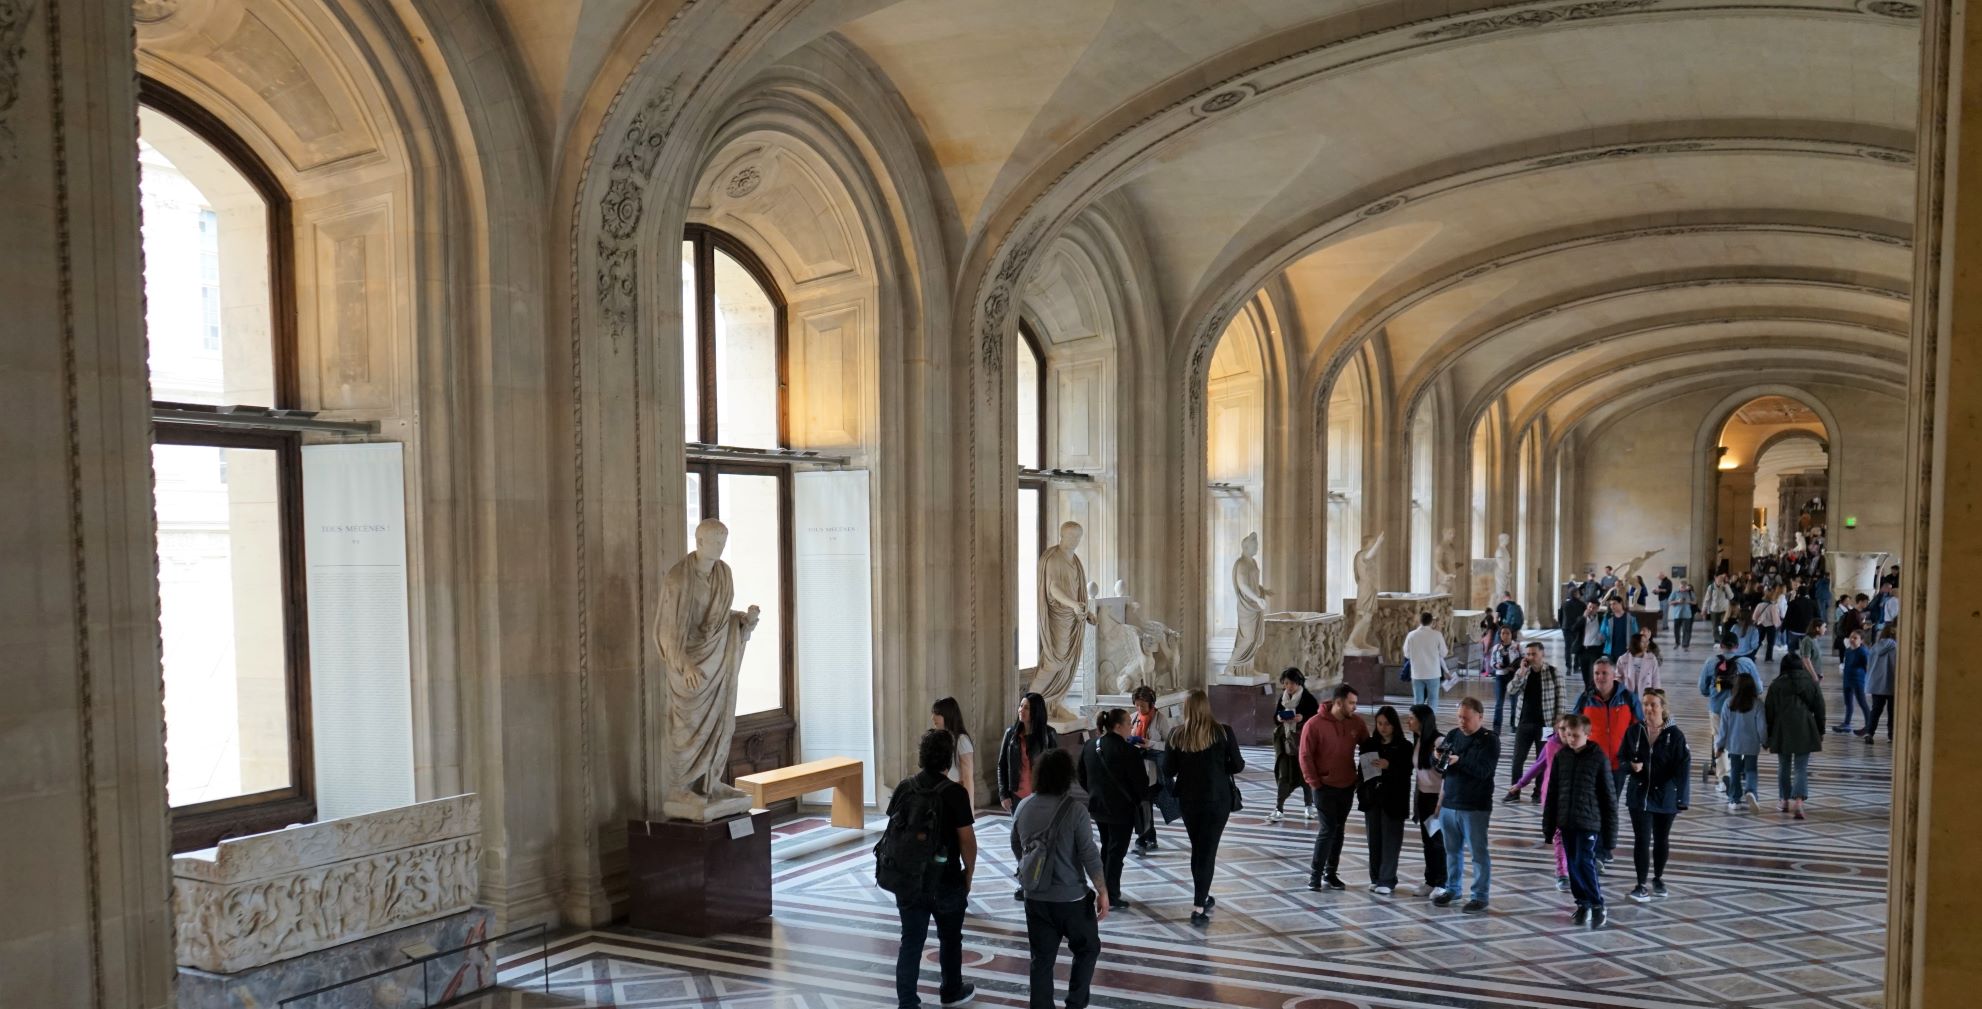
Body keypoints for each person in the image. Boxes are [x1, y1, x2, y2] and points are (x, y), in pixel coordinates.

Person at [1010, 747, 1107, 1009]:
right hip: (1072, 899)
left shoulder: (1023, 806)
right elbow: (1089, 854)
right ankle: (1075, 1003)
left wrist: (1032, 869)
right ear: (1067, 776)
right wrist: (1102, 891)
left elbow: (1016, 845)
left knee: (1041, 959)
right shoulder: (1075, 811)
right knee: (1087, 949)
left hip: (1036, 898)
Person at [889, 729, 978, 1009]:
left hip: (909, 878)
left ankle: (907, 1001)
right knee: (950, 938)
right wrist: (969, 872)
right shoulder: (955, 793)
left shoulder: (906, 787)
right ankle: (951, 991)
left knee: (911, 940)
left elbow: (893, 828)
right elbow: (967, 840)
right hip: (946, 878)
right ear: (947, 760)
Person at [1164, 689, 1244, 925]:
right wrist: (1219, 769)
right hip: (1217, 800)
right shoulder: (1222, 732)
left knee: (1198, 848)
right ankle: (1198, 907)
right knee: (1207, 852)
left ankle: (1203, 894)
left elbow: (1169, 771)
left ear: (1187, 709)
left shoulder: (1176, 735)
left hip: (1189, 800)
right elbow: (1238, 765)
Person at [1541, 713, 1616, 927]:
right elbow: (1553, 794)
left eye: (1575, 735)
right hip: (1566, 821)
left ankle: (1597, 903)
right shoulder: (1561, 757)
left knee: (1584, 862)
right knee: (1572, 865)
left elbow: (1608, 798)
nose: (1571, 739)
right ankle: (1582, 903)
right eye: (1567, 734)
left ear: (1587, 734)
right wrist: (1548, 826)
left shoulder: (1598, 758)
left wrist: (1610, 838)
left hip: (1588, 822)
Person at [1621, 689, 1691, 902]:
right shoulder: (1634, 731)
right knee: (1641, 839)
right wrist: (1630, 766)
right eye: (1645, 704)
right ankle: (1640, 884)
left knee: (1661, 838)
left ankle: (1658, 878)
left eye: (1653, 704)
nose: (1648, 709)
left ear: (1662, 707)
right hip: (1639, 795)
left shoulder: (1675, 735)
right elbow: (1620, 760)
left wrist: (1682, 799)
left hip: (1665, 795)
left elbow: (1683, 768)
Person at [1433, 697, 1500, 913]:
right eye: (1460, 717)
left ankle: (1480, 895)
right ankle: (1452, 888)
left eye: (1467, 718)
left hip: (1475, 806)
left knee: (1478, 853)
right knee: (1451, 851)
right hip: (1450, 803)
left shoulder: (1490, 740)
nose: (1462, 722)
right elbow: (1441, 767)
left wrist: (1459, 760)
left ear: (1480, 717)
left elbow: (1484, 770)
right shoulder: (1453, 735)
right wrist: (1437, 758)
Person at [1300, 683, 1370, 891]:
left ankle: (1331, 873)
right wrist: (1315, 783)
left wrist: (1365, 777)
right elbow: (1305, 755)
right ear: (1338, 703)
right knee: (1327, 829)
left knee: (1339, 830)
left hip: (1347, 785)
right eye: (1352, 703)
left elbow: (1368, 748)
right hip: (1323, 786)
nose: (1355, 707)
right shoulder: (1314, 724)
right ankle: (1315, 875)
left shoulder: (1356, 723)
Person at [1573, 658, 1643, 865]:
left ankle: (1604, 849)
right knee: (1593, 806)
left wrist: (1635, 756)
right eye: (1596, 673)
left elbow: (1639, 728)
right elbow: (1573, 727)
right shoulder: (1586, 699)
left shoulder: (1628, 699)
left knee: (1608, 806)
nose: (1600, 677)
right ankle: (1596, 848)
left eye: (1604, 673)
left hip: (1617, 765)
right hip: (1591, 764)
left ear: (1614, 675)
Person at [1078, 708, 1146, 909]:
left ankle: (1103, 889)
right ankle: (1111, 894)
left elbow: (1081, 776)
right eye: (1128, 723)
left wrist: (1095, 793)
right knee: (1116, 853)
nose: (1131, 727)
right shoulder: (1130, 752)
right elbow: (1141, 786)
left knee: (1107, 849)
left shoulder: (1090, 746)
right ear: (1118, 726)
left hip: (1098, 807)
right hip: (1122, 811)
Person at [998, 693, 1059, 900]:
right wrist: (1003, 792)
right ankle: (1025, 879)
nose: (1021, 711)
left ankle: (1042, 878)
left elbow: (1056, 767)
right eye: (1020, 707)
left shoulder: (1048, 735)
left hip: (1041, 798)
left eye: (1026, 708)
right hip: (1017, 796)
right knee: (1019, 841)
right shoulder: (1011, 734)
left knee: (1041, 841)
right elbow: (1001, 765)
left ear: (1036, 712)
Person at [1511, 713, 1575, 889]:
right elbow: (1538, 765)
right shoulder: (1551, 745)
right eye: (1561, 729)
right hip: (1551, 797)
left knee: (1573, 834)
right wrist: (1520, 783)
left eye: (1567, 729)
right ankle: (1562, 872)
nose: (1564, 733)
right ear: (1556, 729)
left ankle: (1573, 867)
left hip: (1572, 797)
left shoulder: (1577, 747)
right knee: (1559, 835)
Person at [1358, 706, 1414, 894]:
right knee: (1374, 839)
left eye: (1387, 724)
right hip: (1373, 798)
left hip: (1394, 798)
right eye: (1380, 724)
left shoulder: (1405, 746)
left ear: (1394, 725)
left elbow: (1406, 772)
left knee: (1391, 840)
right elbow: (1362, 771)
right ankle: (1375, 877)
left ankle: (1387, 879)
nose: (1383, 728)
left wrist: (1389, 765)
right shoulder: (1369, 744)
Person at [1765, 654, 1827, 819]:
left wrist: (1769, 735)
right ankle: (1799, 801)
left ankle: (1784, 800)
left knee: (1783, 766)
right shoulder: (1810, 682)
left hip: (1782, 728)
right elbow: (1820, 708)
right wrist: (1820, 730)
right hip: (1805, 726)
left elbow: (1769, 711)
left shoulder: (1776, 684)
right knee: (1801, 767)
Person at [1698, 632, 1759, 798]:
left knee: (1720, 739)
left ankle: (1724, 778)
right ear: (1737, 646)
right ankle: (1741, 771)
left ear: (1721, 645)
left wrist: (1713, 693)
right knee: (1743, 737)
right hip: (1743, 708)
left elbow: (1702, 687)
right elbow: (1758, 687)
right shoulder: (1747, 663)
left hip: (1717, 708)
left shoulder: (1711, 662)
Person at [1503, 641, 1564, 801]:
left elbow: (1561, 698)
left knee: (1542, 759)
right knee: (1517, 759)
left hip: (1546, 724)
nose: (1530, 657)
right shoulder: (1524, 672)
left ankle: (1538, 792)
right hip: (1524, 722)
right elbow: (1511, 690)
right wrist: (1521, 672)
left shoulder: (1553, 672)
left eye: (1533, 654)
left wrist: (1559, 721)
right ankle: (1514, 791)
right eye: (1528, 654)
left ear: (1542, 654)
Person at [1404, 704, 1449, 897]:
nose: (1408, 721)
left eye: (1411, 718)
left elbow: (1446, 772)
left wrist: (1440, 802)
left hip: (1436, 799)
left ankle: (1442, 882)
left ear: (1422, 721)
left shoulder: (1439, 741)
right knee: (1427, 841)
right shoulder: (1419, 739)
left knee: (1438, 842)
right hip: (1422, 797)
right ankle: (1430, 880)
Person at [1270, 669, 1319, 823]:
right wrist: (1279, 717)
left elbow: (1316, 718)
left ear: (1298, 682)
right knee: (1284, 774)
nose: (1288, 686)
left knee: (1304, 775)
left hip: (1302, 742)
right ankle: (1279, 808)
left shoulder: (1308, 698)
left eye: (1291, 683)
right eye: (1285, 683)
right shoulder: (1283, 698)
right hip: (1285, 742)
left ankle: (1309, 806)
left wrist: (1302, 718)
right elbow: (1275, 717)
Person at [1127, 686, 1170, 855]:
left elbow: (1169, 744)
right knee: (1142, 805)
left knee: (1145, 804)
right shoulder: (1133, 718)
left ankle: (1143, 838)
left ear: (1151, 704)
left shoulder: (1160, 719)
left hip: (1152, 770)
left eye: (1143, 706)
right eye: (1137, 705)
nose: (1139, 709)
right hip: (1136, 769)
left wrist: (1150, 744)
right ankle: (1148, 837)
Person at [1716, 670, 1766, 812]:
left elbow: (1723, 728)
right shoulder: (1758, 704)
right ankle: (1751, 792)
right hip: (1752, 743)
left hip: (1734, 744)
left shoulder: (1728, 704)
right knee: (1751, 770)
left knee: (1735, 771)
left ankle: (1734, 799)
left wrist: (1719, 746)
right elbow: (1762, 727)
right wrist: (1765, 741)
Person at [932, 696, 977, 809]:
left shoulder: (961, 740)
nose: (933, 717)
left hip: (954, 795)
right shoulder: (942, 737)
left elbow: (967, 778)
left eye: (937, 714)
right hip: (939, 794)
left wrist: (969, 810)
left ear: (948, 715)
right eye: (933, 713)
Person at [1402, 611, 1449, 711]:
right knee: (1433, 700)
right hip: (1433, 673)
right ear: (1431, 622)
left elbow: (1406, 654)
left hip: (1417, 673)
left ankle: (1418, 721)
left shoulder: (1411, 635)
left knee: (1418, 700)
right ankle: (1430, 722)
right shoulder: (1437, 635)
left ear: (1420, 621)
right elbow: (1444, 653)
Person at [1861, 624, 1898, 743]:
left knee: (1876, 710)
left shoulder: (1875, 647)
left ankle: (1869, 733)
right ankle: (1891, 736)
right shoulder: (1897, 647)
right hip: (1892, 683)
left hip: (1876, 684)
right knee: (1892, 711)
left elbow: (1869, 664)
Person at [1488, 625, 1524, 736]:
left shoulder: (1517, 646)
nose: (1505, 635)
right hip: (1500, 676)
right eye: (1503, 633)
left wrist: (1517, 667)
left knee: (1514, 702)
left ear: (1511, 634)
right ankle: (1497, 726)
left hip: (1513, 676)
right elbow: (1492, 662)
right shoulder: (1496, 647)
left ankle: (1514, 724)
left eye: (1507, 633)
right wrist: (1497, 665)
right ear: (1500, 635)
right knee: (1499, 703)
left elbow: (1523, 659)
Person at [1836, 630, 1870, 734]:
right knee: (1848, 703)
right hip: (1847, 679)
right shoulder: (1848, 651)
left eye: (1855, 638)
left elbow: (1867, 667)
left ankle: (1869, 725)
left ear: (1861, 640)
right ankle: (1846, 723)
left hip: (1858, 680)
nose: (1852, 639)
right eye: (1851, 637)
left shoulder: (1863, 652)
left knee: (1862, 702)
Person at [1753, 588, 1782, 662]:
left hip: (1761, 625)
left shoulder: (1759, 605)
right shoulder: (1773, 606)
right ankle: (1768, 657)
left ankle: (1752, 655)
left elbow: (1754, 616)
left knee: (1759, 641)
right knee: (1770, 642)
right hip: (1771, 626)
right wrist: (1778, 625)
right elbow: (1775, 619)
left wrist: (1758, 621)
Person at [1668, 580, 1697, 650]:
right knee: (1676, 630)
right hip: (1677, 615)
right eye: (1681, 587)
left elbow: (1695, 602)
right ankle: (1677, 643)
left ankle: (1685, 645)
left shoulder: (1690, 593)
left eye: (1684, 587)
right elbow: (1669, 602)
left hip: (1687, 615)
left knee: (1686, 630)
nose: (1683, 588)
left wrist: (1688, 601)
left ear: (1686, 587)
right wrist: (1677, 601)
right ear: (1679, 586)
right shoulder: (1675, 592)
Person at [1703, 574, 1734, 639]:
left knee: (1724, 625)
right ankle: (1717, 641)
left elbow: (1731, 597)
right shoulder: (1711, 587)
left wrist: (1726, 588)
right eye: (1719, 578)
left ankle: (1723, 640)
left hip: (1724, 609)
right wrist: (1704, 609)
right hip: (1714, 610)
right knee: (1715, 626)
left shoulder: (1726, 586)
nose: (1720, 579)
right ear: (1715, 578)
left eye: (1722, 578)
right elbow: (1707, 599)